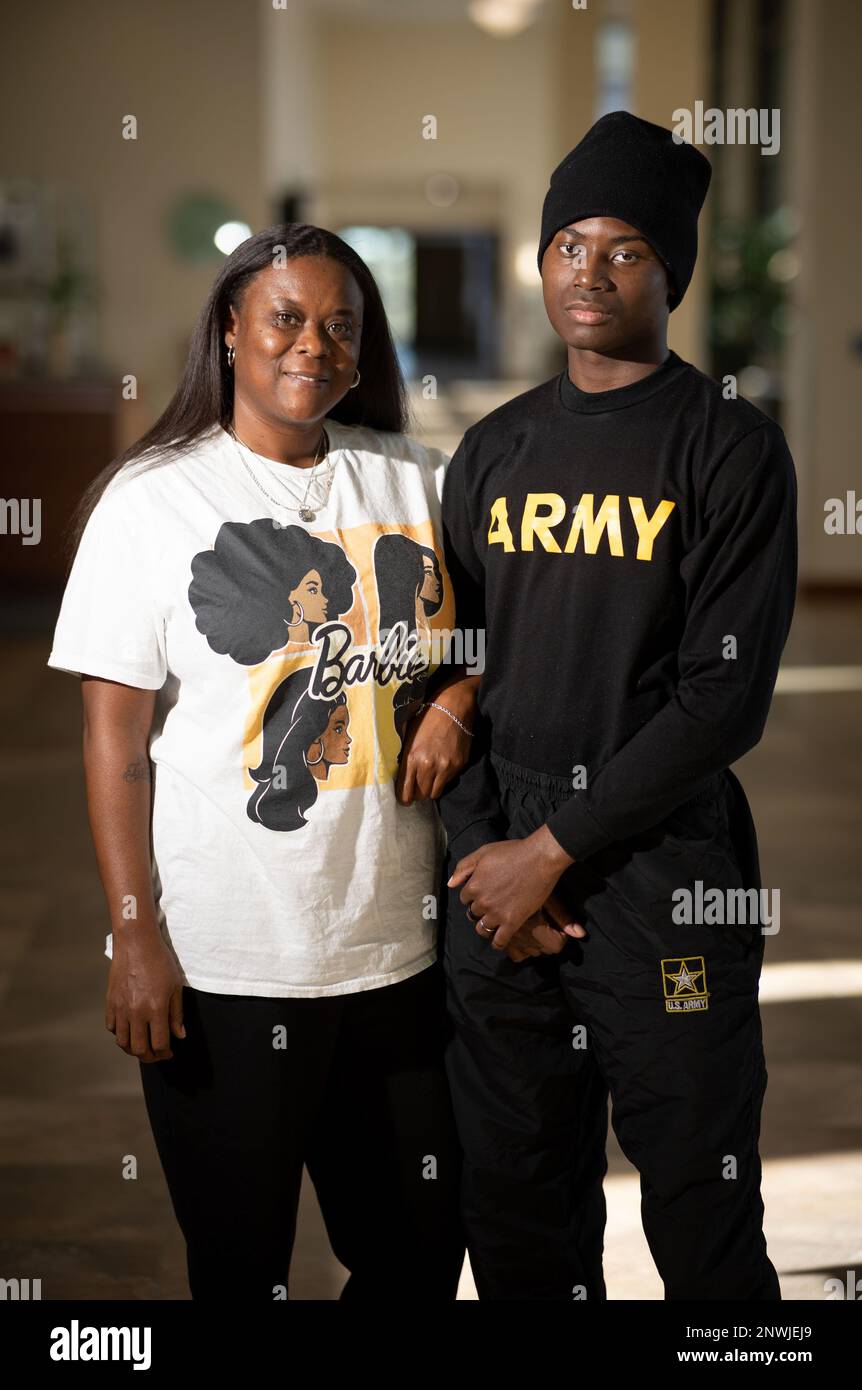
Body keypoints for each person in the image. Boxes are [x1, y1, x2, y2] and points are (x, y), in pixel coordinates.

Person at [48, 223, 477, 1300]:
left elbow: (481, 645)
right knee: (239, 1267)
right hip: (228, 962)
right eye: (285, 317)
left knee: (419, 1251)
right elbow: (115, 741)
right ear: (230, 330)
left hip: (398, 954)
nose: (312, 345)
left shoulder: (412, 480)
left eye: (341, 325)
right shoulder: (151, 500)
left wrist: (459, 703)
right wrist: (135, 936)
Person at [437, 111, 798, 1301]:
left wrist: (553, 852)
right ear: (540, 260)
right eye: (569, 243)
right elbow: (450, 668)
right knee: (520, 1202)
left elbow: (722, 701)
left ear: (671, 272)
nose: (589, 270)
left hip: (656, 863)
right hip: (502, 866)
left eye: (626, 248)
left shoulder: (729, 449)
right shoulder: (491, 451)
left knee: (700, 1199)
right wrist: (490, 851)